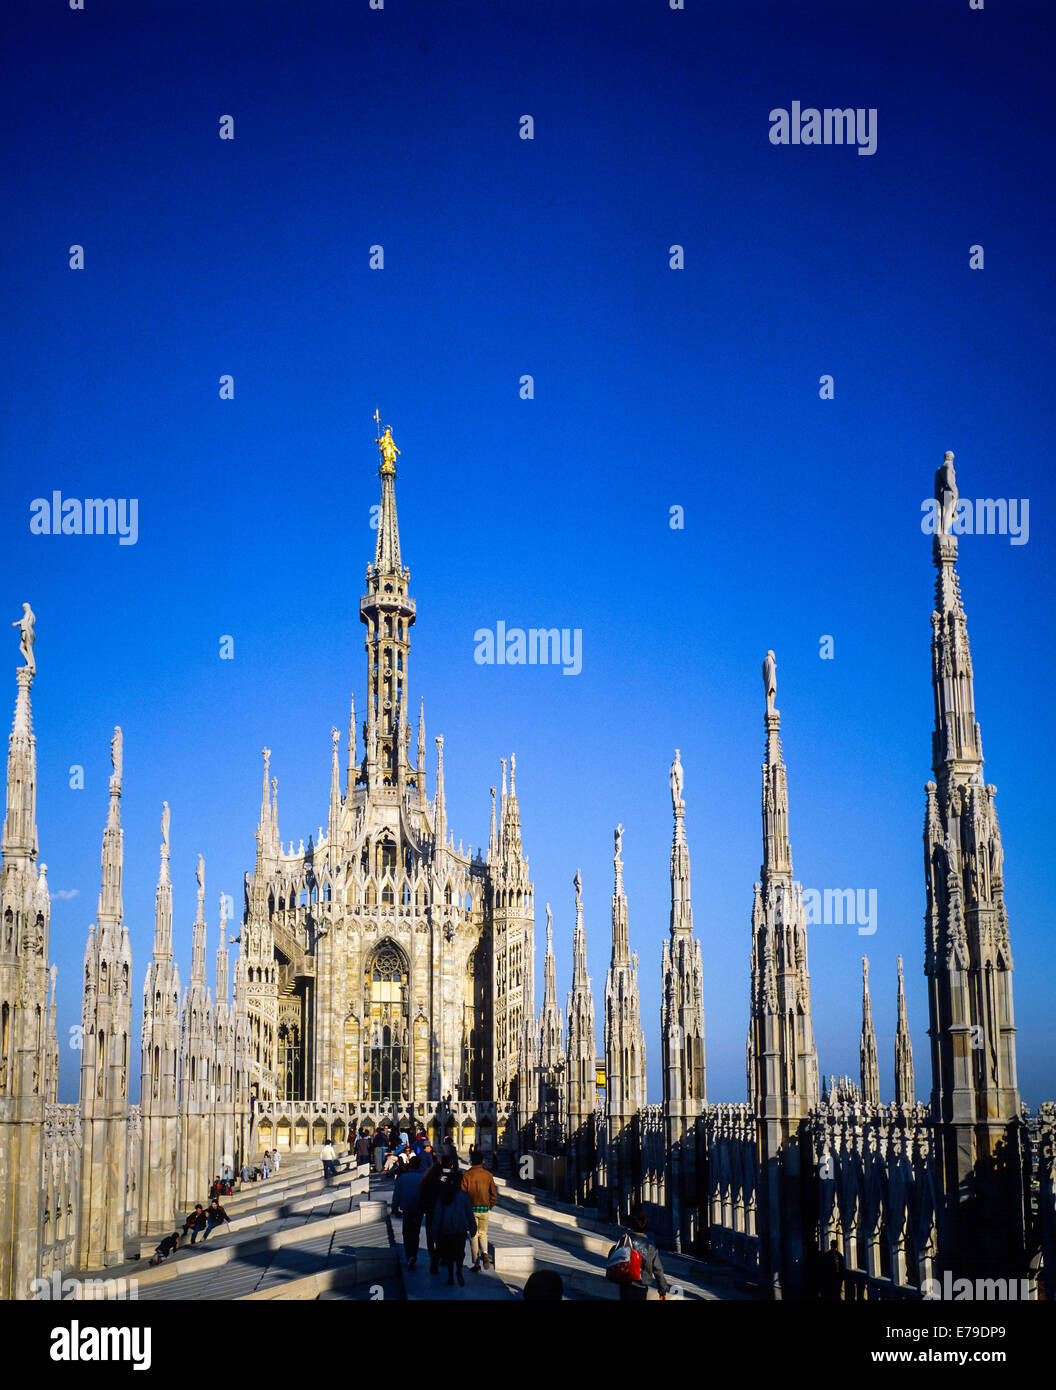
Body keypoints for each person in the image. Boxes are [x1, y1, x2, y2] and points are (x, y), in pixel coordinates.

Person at [432, 1159, 476, 1287]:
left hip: (446, 1229)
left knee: (449, 1254)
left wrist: (434, 1232)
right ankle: (459, 1271)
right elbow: (469, 1213)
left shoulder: (443, 1195)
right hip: (461, 1229)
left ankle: (451, 1276)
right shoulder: (463, 1196)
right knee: (460, 1252)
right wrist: (473, 1227)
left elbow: (437, 1216)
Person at [613, 1208, 668, 1301]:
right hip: (641, 1286)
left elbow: (614, 1257)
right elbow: (658, 1270)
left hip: (626, 1284)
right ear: (646, 1227)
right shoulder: (651, 1246)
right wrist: (662, 1290)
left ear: (632, 1225)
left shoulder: (626, 1240)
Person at [461, 1147, 498, 1272]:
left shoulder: (467, 1175)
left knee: (473, 1235)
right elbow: (494, 1194)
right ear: (482, 1161)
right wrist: (489, 1205)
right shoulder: (488, 1175)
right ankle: (486, 1253)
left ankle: (476, 1264)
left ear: (471, 1161)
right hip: (484, 1209)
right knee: (483, 1233)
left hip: (471, 1209)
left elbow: (462, 1194)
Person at [393, 1155, 425, 1267]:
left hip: (406, 1209)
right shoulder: (422, 1178)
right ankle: (414, 1255)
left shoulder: (403, 1178)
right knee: (415, 1233)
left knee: (406, 1233)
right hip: (419, 1209)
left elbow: (396, 1194)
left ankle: (409, 1256)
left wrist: (394, 1208)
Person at [417, 1154, 445, 1275]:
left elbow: (422, 1200)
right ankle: (437, 1257)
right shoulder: (442, 1186)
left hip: (429, 1214)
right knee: (440, 1238)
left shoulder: (425, 1184)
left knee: (430, 1237)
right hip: (440, 1215)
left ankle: (433, 1258)